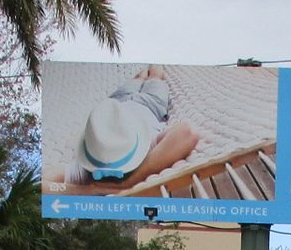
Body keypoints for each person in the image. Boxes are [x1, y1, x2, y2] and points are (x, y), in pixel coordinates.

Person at [60, 65, 199, 191]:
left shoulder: (91, 164)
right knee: (155, 77)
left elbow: (43, 183)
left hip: (117, 103)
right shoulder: (144, 150)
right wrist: (130, 181)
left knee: (138, 77)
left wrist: (92, 189)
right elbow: (187, 132)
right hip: (150, 104)